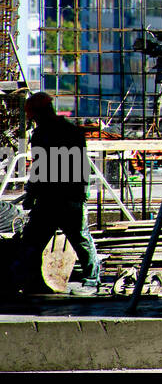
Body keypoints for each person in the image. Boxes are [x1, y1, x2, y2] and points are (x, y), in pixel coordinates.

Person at [7, 92, 100, 295]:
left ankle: (33, 281)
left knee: (34, 241)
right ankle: (90, 281)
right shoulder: (72, 131)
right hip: (66, 195)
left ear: (38, 113)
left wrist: (32, 194)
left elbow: (40, 168)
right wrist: (82, 192)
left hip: (54, 197)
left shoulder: (42, 135)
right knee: (79, 239)